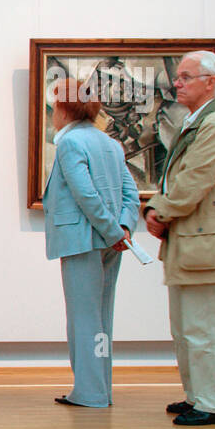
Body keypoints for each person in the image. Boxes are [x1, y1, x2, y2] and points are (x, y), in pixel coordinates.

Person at [144, 51, 215, 426]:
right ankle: (198, 395)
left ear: (211, 82)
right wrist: (160, 210)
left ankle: (213, 403)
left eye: (187, 77)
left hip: (203, 240)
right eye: (179, 76)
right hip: (190, 240)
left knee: (203, 327)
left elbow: (193, 181)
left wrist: (159, 210)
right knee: (186, 327)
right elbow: (182, 181)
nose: (178, 83)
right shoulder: (199, 122)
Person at [42, 78, 139, 408]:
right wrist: (122, 229)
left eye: (56, 105)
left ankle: (89, 392)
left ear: (65, 108)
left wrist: (113, 232)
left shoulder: (70, 143)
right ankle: (101, 389)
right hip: (111, 243)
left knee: (83, 318)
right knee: (101, 317)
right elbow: (130, 194)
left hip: (83, 240)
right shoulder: (110, 143)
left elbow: (85, 194)